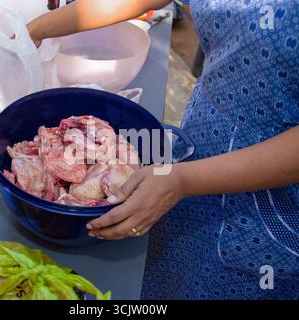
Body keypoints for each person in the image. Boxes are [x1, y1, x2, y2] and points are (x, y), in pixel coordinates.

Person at [28, 0, 299, 299]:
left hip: (268, 199)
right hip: (194, 146)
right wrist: (34, 31)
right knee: (158, 279)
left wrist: (183, 180)